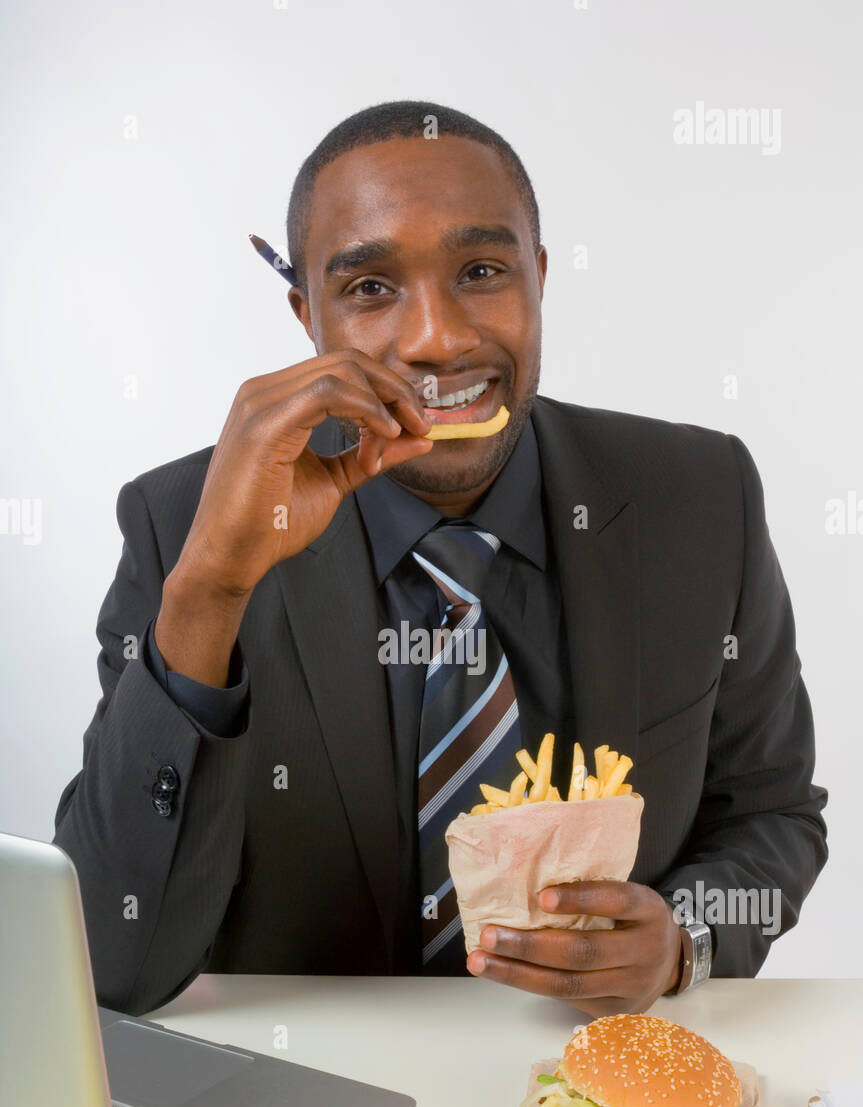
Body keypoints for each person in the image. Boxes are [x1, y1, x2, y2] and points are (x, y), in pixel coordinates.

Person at [54, 101, 827, 1017]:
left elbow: (770, 813)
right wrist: (213, 587)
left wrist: (683, 941)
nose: (438, 339)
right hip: (317, 1094)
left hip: (590, 1072)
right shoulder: (183, 524)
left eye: (482, 271)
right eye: (371, 288)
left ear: (540, 277)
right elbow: (114, 965)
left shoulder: (699, 495)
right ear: (307, 315)